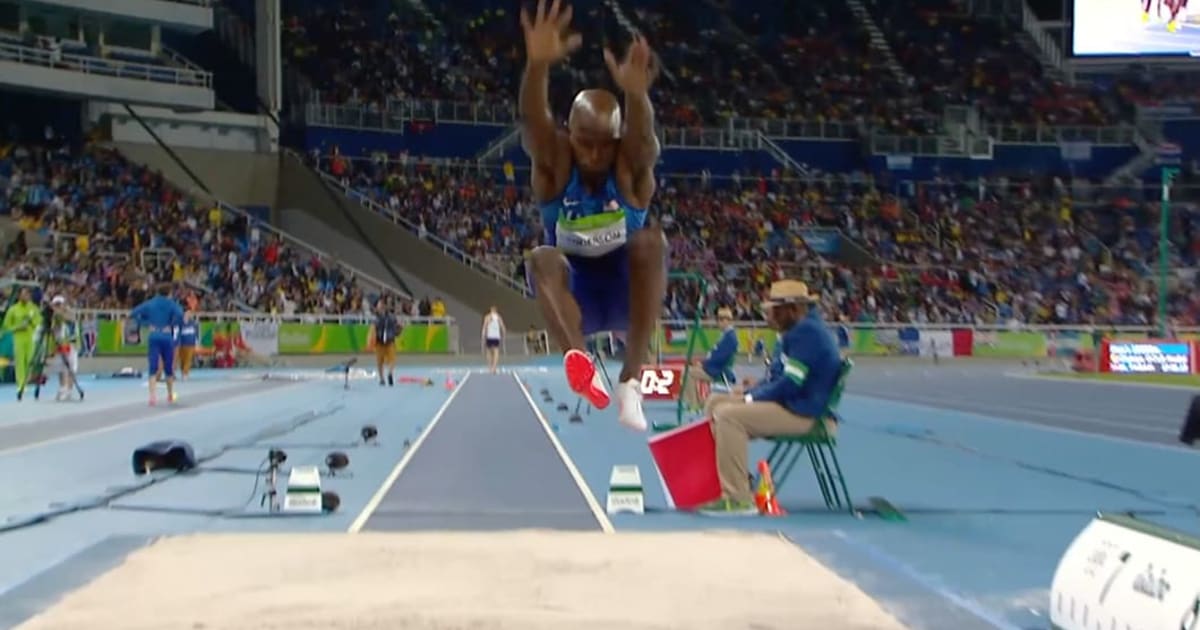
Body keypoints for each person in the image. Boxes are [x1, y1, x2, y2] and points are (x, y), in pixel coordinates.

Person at [520, 0, 665, 431]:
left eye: (606, 143)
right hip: (575, 299)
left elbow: (643, 142)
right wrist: (537, 67)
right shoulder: (557, 166)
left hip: (625, 293)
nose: (596, 153)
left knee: (651, 241)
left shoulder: (628, 170)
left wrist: (636, 95)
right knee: (541, 257)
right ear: (570, 133)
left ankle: (630, 382)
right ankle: (579, 363)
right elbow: (533, 125)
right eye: (586, 141)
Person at [698, 280, 842, 515]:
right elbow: (782, 378)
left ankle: (737, 498)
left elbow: (790, 384)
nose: (769, 316)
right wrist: (751, 392)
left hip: (808, 416)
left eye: (773, 311)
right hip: (798, 406)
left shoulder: (806, 333)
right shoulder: (802, 329)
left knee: (729, 417)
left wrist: (751, 399)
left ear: (791, 310)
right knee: (716, 401)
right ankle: (736, 479)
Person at [130, 284, 185, 406]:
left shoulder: (151, 303)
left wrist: (145, 323)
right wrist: (173, 324)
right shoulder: (171, 304)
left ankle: (152, 396)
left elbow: (133, 313)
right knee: (168, 367)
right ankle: (170, 394)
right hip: (166, 336)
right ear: (169, 293)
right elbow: (180, 315)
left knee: (153, 367)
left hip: (154, 335)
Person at [683, 307, 739, 411]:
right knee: (688, 370)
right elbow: (715, 355)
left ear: (727, 320)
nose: (718, 323)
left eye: (720, 320)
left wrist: (703, 364)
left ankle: (693, 403)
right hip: (714, 368)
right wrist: (701, 362)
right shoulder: (725, 336)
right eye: (718, 320)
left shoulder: (730, 338)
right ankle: (697, 402)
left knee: (687, 373)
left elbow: (720, 358)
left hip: (718, 371)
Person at [3, 287, 42, 400]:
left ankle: (27, 381)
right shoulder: (13, 309)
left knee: (29, 361)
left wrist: (32, 323)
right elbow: (6, 326)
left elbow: (39, 321)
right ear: (19, 296)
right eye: (24, 294)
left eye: (28, 294)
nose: (26, 296)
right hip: (18, 338)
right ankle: (20, 385)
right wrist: (17, 327)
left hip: (30, 337)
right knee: (20, 362)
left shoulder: (33, 308)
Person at [48, 295, 80, 401]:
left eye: (59, 304)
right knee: (60, 368)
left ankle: (69, 390)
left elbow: (69, 319)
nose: (57, 307)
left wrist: (59, 312)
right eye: (55, 305)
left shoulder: (70, 313)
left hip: (71, 344)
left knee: (71, 368)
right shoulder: (54, 317)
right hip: (60, 344)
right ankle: (62, 388)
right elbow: (53, 330)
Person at [372, 300, 399, 386]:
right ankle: (389, 373)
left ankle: (382, 378)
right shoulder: (392, 317)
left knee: (381, 361)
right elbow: (396, 330)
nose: (378, 308)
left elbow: (375, 329)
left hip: (382, 341)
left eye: (379, 307)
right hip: (387, 340)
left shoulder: (377, 318)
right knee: (390, 360)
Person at [481, 306, 506, 374]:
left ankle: (491, 367)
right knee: (495, 351)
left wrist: (483, 335)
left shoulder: (488, 317)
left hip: (490, 336)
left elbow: (484, 326)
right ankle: (493, 368)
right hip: (495, 336)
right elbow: (502, 326)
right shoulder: (498, 317)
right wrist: (504, 333)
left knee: (489, 351)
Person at [176, 309, 198, 380]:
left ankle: (185, 373)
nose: (188, 315)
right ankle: (183, 371)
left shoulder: (193, 323)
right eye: (187, 314)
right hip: (182, 344)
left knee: (188, 359)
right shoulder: (180, 323)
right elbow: (177, 333)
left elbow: (195, 334)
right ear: (184, 315)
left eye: (190, 314)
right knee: (182, 359)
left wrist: (196, 341)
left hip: (190, 344)